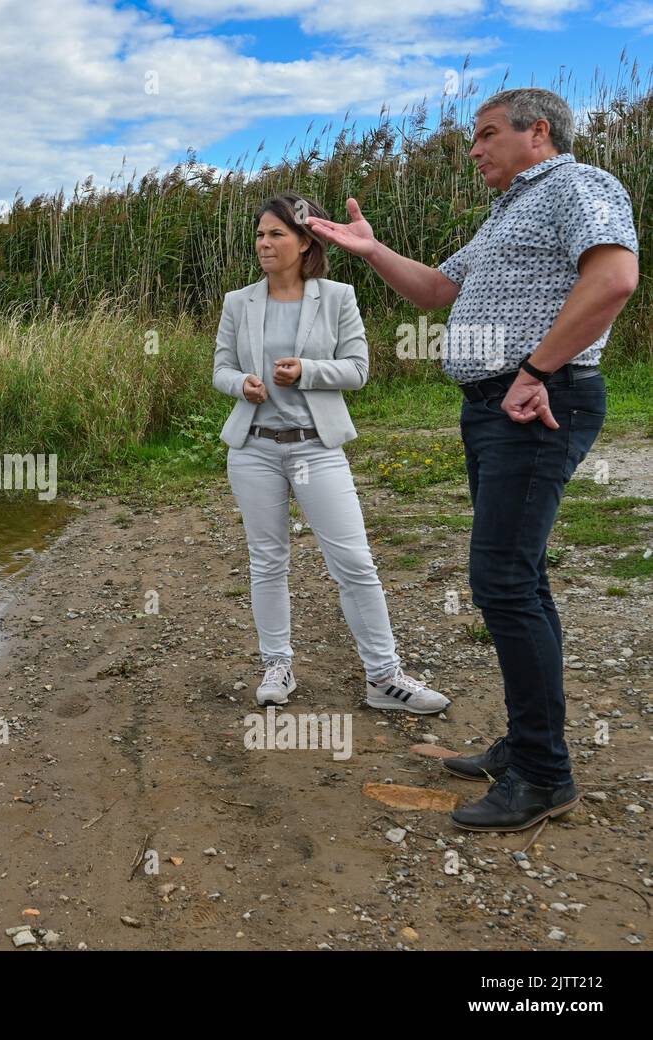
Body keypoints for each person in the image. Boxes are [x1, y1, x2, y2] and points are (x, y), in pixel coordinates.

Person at [306, 88, 639, 832]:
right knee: (520, 578)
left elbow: (613, 278)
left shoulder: (579, 186)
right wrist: (370, 249)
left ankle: (545, 775)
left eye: (487, 135)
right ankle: (528, 744)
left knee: (500, 581)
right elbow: (435, 288)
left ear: (538, 133)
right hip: (494, 409)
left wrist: (537, 370)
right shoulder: (504, 216)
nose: (476, 149)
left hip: (537, 404)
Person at [213, 191, 450, 716]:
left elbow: (358, 370)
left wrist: (308, 371)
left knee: (354, 562)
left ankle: (384, 678)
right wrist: (242, 386)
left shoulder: (338, 297)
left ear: (304, 243)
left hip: (316, 448)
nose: (264, 243)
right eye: (259, 234)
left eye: (276, 234)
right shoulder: (238, 302)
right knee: (267, 561)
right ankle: (277, 665)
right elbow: (221, 369)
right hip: (253, 449)